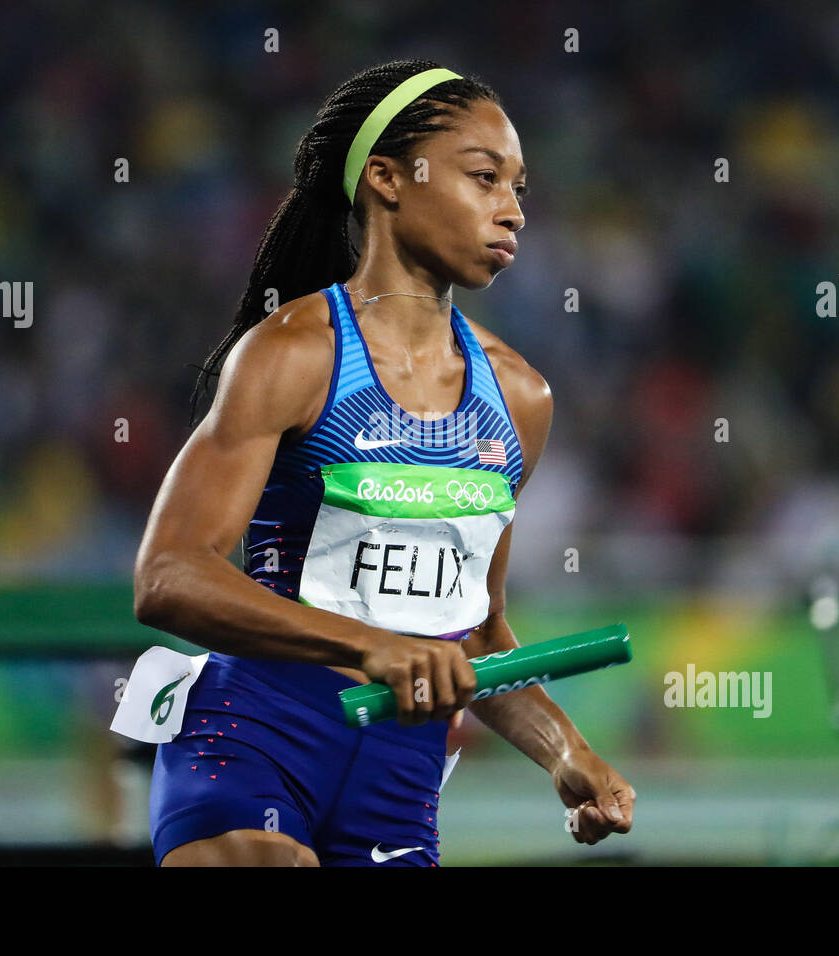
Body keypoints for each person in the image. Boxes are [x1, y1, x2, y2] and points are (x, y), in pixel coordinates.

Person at [128, 58, 635, 866]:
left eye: (520, 190)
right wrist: (365, 645)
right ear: (387, 180)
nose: (512, 212)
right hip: (255, 736)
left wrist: (563, 748)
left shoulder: (521, 401)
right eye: (484, 178)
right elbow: (169, 577)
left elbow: (473, 632)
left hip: (400, 783)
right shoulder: (293, 355)